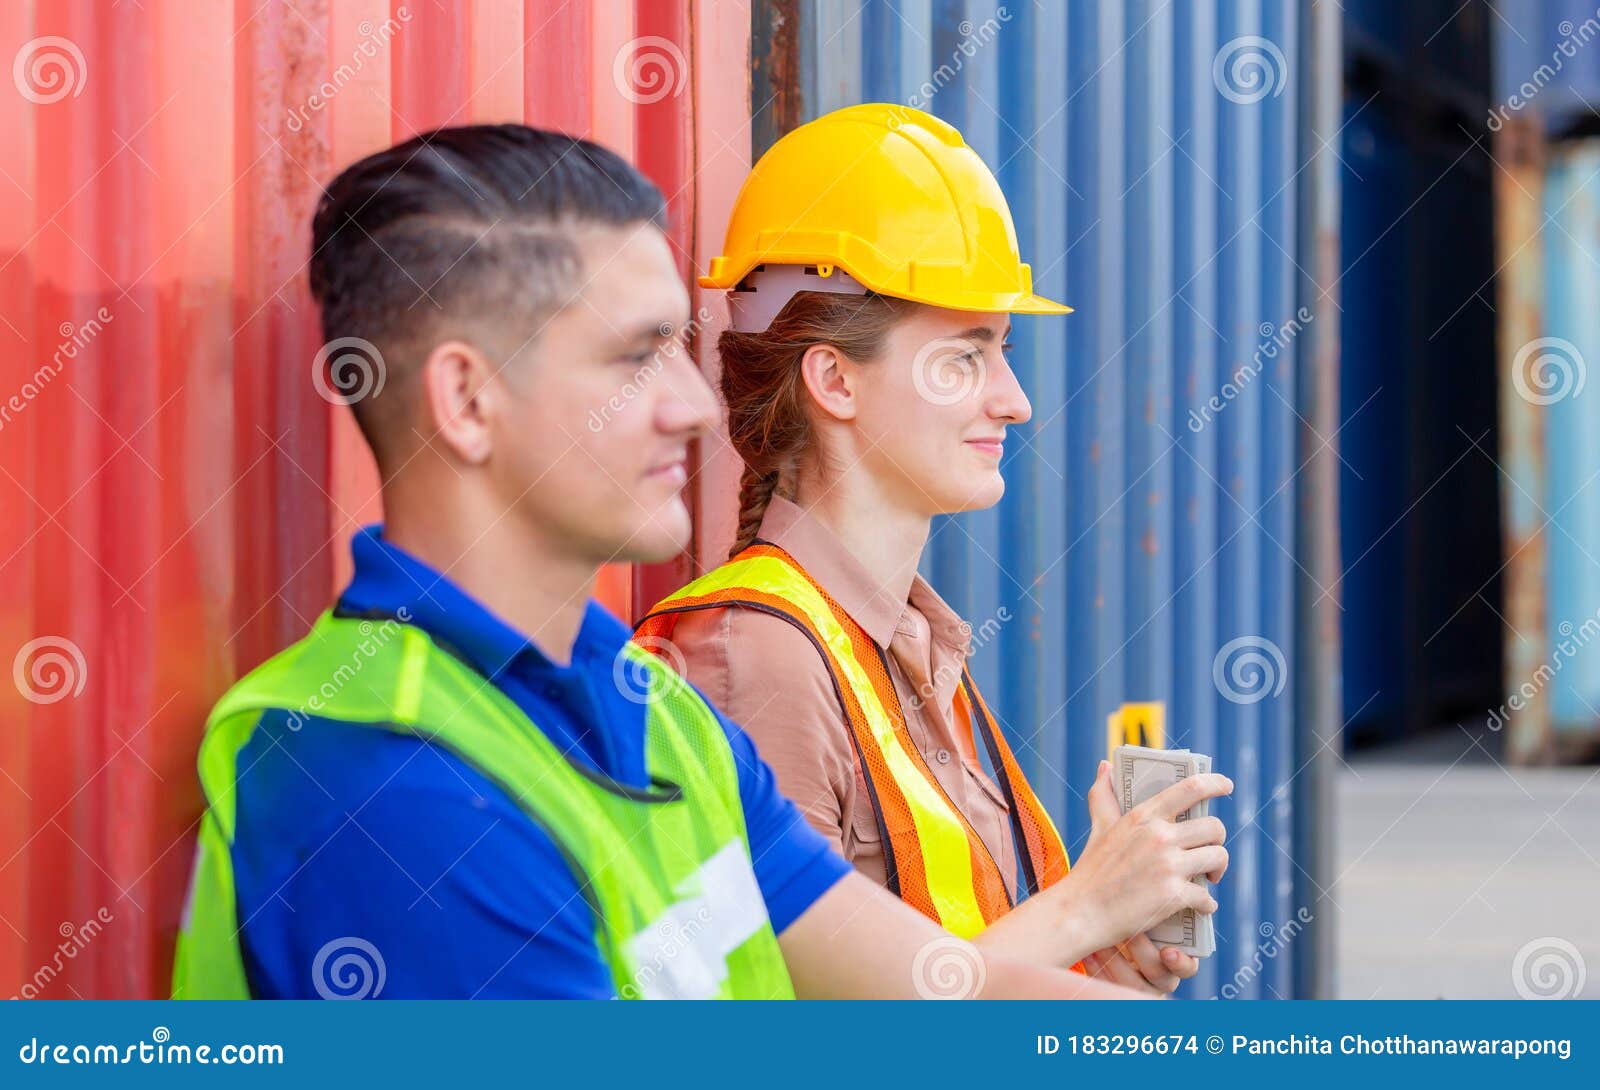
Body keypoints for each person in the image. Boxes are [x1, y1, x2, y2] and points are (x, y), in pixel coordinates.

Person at [169, 122, 1187, 1000]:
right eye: (634, 354)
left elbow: (934, 991)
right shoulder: (382, 778)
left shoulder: (652, 717)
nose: (698, 407)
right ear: (466, 402)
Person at [635, 104, 1231, 993]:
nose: (1015, 399)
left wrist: (1095, 964)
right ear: (834, 379)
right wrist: (1084, 905)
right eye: (966, 356)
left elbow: (937, 979)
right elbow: (784, 1028)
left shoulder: (911, 649)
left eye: (1004, 351)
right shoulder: (752, 656)